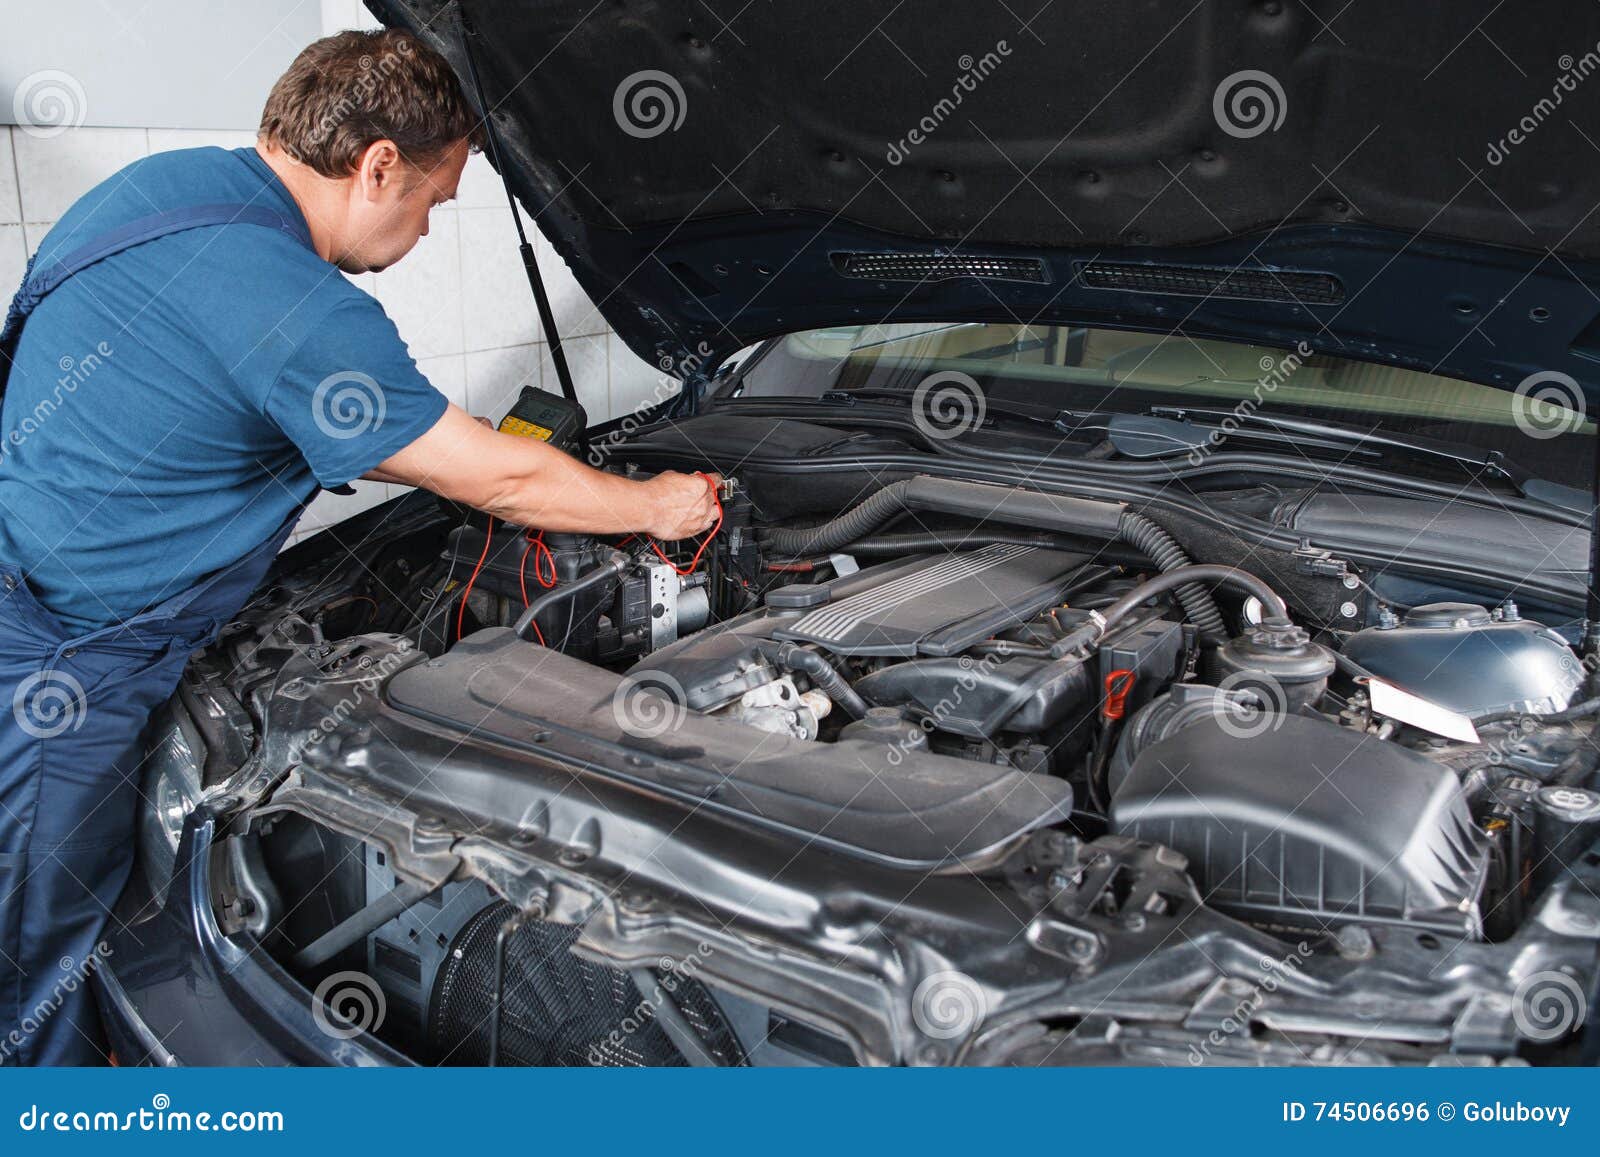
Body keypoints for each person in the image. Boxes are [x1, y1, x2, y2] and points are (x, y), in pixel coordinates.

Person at [0, 29, 716, 1065]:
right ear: (377, 163)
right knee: (38, 950)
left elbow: (227, 395)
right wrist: (654, 507)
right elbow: (498, 476)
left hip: (47, 589)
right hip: (62, 662)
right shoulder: (296, 305)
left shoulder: (168, 189)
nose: (428, 228)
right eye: (434, 198)